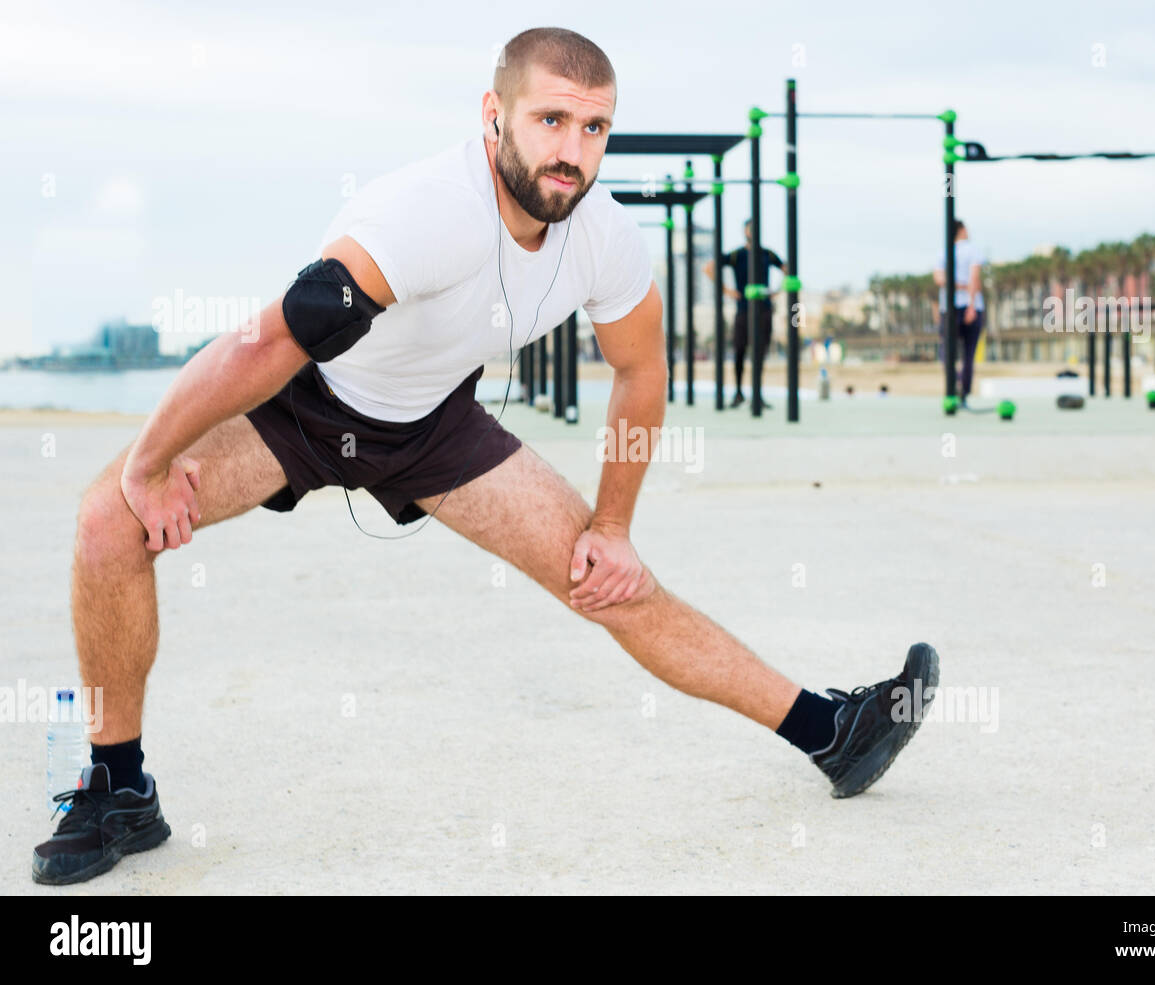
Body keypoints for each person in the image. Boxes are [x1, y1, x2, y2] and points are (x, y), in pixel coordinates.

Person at [34, 27, 938, 886]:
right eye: (551, 120)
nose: (572, 150)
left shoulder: (603, 238)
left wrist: (614, 525)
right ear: (493, 115)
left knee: (613, 580)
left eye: (594, 129)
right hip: (303, 408)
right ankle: (120, 787)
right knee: (106, 518)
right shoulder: (424, 214)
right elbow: (268, 340)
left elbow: (640, 370)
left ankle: (835, 731)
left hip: (433, 426)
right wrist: (148, 463)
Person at [703, 220, 786, 408]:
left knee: (761, 352)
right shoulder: (736, 255)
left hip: (764, 309)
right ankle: (739, 392)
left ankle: (758, 393)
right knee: (740, 351)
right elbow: (708, 268)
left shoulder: (767, 254)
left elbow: (787, 270)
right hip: (743, 310)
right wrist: (726, 290)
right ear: (745, 231)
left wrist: (778, 291)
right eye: (750, 229)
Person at [932, 219, 986, 407]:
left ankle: (954, 385)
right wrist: (971, 305)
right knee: (968, 354)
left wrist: (957, 286)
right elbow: (975, 277)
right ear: (961, 230)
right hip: (971, 306)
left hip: (950, 307)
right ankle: (962, 392)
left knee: (946, 351)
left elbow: (940, 279)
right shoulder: (973, 249)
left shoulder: (943, 251)